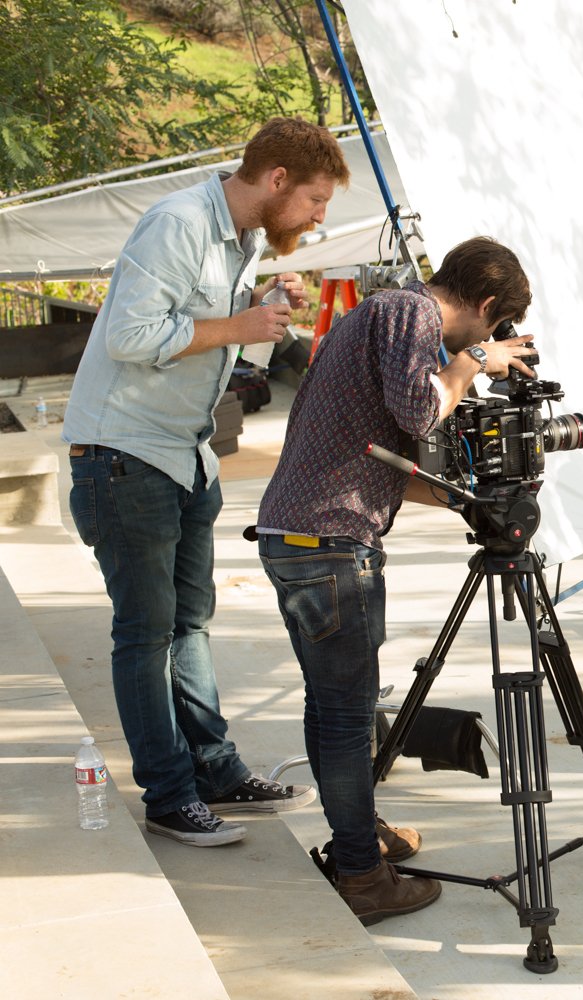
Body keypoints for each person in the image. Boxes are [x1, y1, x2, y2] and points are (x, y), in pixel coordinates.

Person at [63, 117, 350, 847]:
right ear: (277, 180)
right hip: (124, 455)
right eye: (315, 200)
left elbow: (203, 325)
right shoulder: (178, 223)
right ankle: (168, 794)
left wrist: (262, 309)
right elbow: (129, 335)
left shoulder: (246, 237)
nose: (321, 218)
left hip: (184, 454)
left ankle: (215, 771)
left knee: (190, 623)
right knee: (145, 633)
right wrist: (242, 324)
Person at [255, 236, 537, 925]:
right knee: (349, 718)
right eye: (494, 327)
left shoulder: (378, 317)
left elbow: (368, 451)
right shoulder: (412, 315)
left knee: (332, 711)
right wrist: (475, 363)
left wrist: (469, 495)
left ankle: (357, 840)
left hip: (297, 534)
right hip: (328, 546)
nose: (486, 341)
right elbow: (419, 412)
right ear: (487, 304)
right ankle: (363, 877)